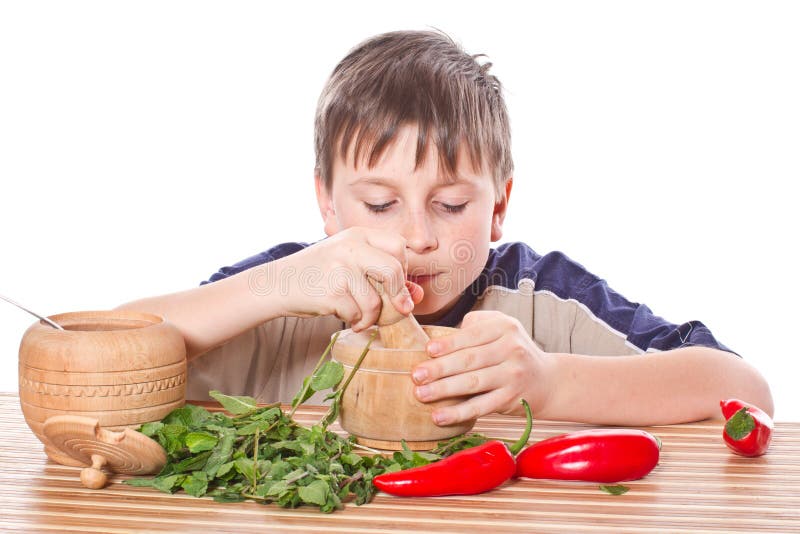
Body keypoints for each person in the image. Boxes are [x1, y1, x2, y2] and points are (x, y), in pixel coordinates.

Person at [117, 29, 773, 426]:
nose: (416, 237)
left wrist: (550, 380)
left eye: (451, 204)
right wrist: (270, 288)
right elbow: (95, 356)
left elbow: (742, 390)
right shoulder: (288, 289)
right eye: (379, 205)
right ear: (327, 203)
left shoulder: (537, 293)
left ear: (498, 206)